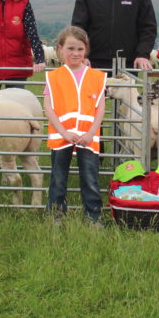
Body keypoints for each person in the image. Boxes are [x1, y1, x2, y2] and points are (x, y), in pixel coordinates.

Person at [43, 26, 106, 225]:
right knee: (58, 180)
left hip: (88, 138)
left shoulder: (97, 76)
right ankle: (56, 216)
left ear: (86, 49)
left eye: (79, 49)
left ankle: (93, 218)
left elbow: (100, 108)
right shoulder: (53, 77)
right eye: (70, 48)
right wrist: (63, 131)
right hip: (62, 137)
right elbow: (48, 108)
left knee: (90, 179)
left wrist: (90, 132)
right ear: (60, 49)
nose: (75, 53)